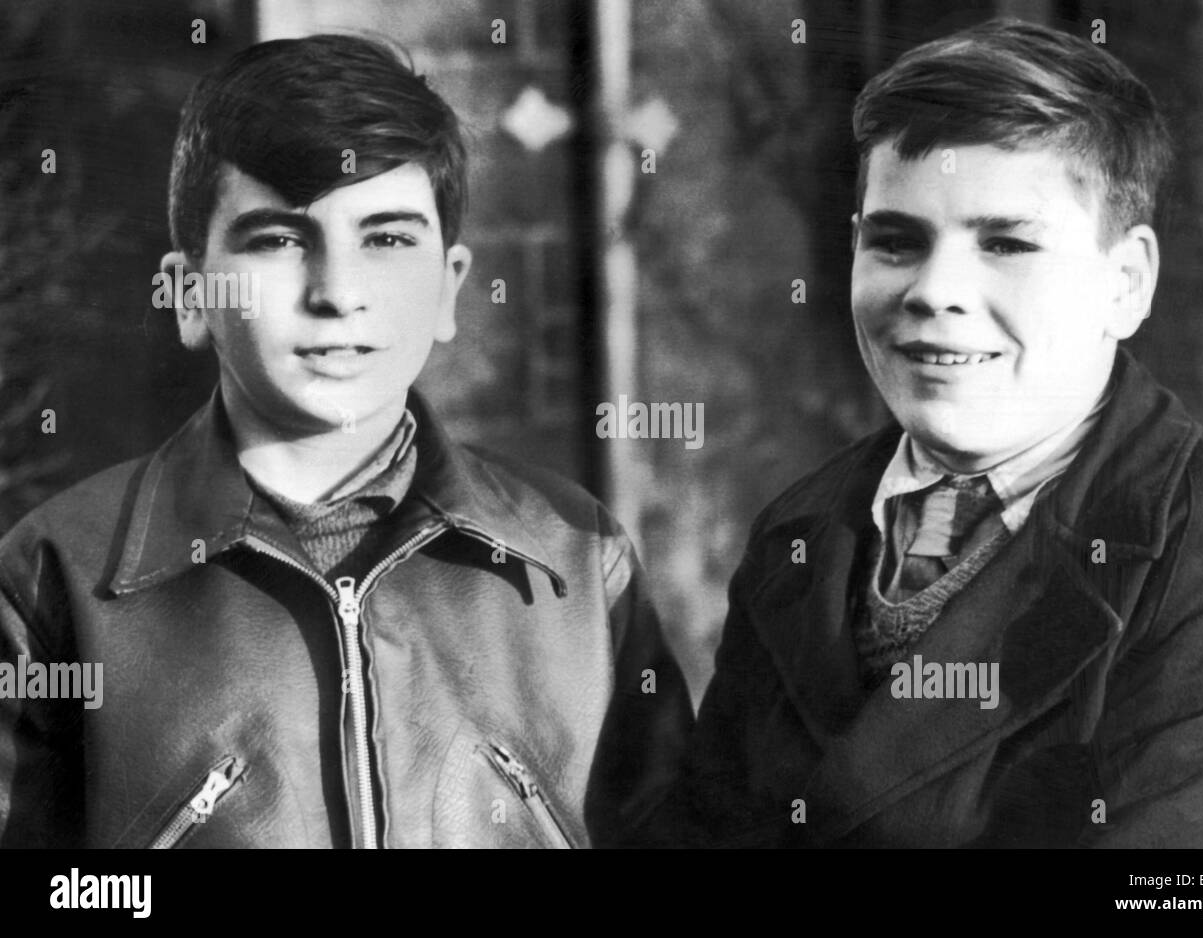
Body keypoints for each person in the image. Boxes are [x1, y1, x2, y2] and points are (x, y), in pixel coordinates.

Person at [0, 34, 691, 848]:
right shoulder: (56, 578)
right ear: (191, 295)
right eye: (280, 240)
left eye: (388, 239)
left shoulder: (577, 562)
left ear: (447, 288)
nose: (339, 293)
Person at [665, 18, 1203, 847]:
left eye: (1005, 243)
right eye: (895, 241)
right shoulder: (799, 532)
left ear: (1126, 282)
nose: (935, 291)